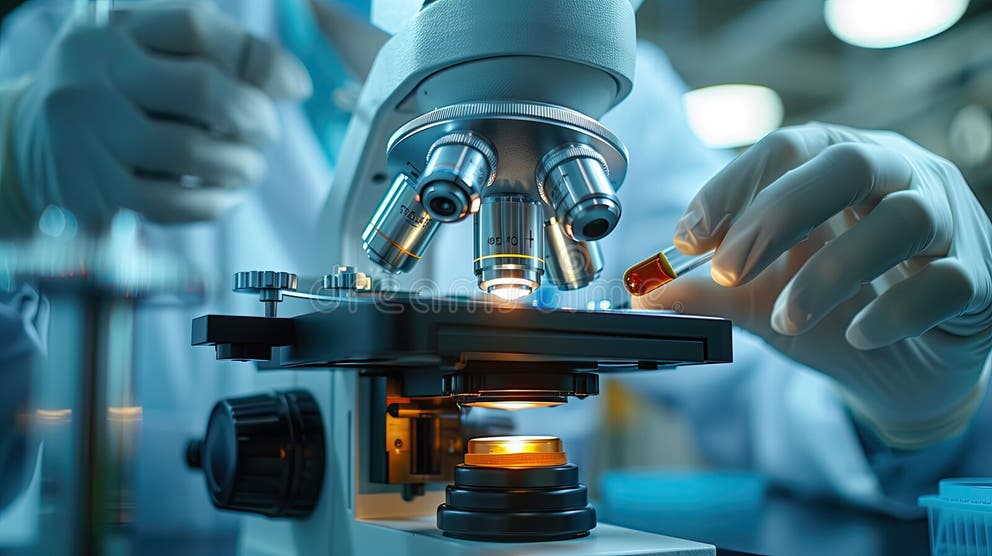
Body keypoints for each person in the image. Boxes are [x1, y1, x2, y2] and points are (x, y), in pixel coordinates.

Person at [0, 0, 989, 540]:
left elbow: (667, 281)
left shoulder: (627, 108)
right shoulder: (102, 36)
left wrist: (924, 406)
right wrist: (6, 171)